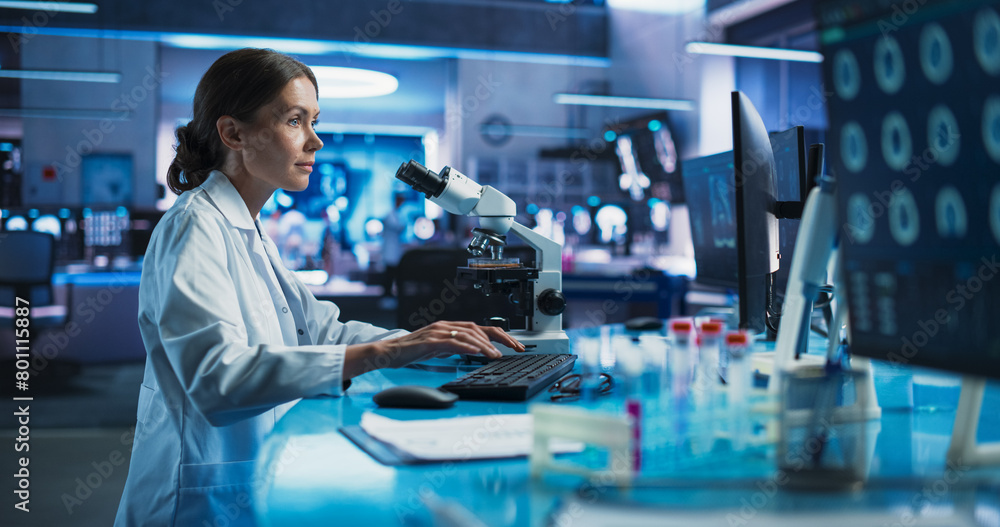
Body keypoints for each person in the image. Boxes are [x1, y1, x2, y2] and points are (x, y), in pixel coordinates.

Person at [113, 48, 523, 527]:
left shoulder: (248, 228)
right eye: (295, 120)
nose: (316, 141)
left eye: (314, 121)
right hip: (193, 501)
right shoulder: (194, 227)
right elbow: (216, 378)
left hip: (241, 483)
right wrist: (386, 353)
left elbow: (323, 332)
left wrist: (429, 342)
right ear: (234, 134)